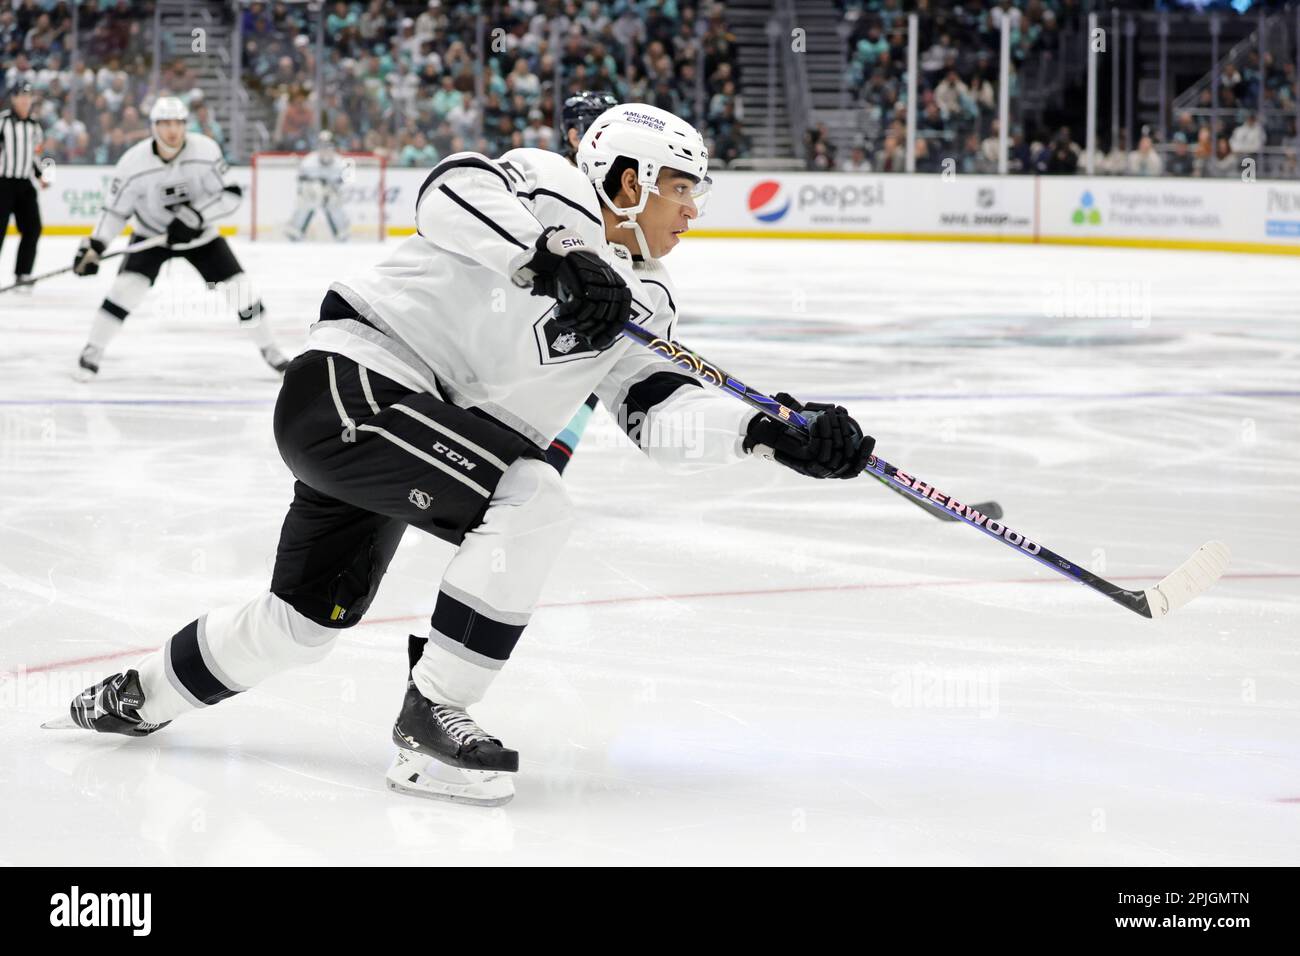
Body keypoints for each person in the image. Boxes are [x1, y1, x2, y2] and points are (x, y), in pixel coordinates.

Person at [48, 103, 875, 807]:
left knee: (303, 624)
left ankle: (138, 695)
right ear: (632, 180)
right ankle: (432, 715)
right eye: (683, 189)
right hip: (355, 385)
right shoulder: (547, 185)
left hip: (410, 433)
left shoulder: (646, 298)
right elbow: (447, 190)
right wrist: (553, 257)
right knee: (534, 497)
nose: (692, 211)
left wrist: (770, 435)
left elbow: (654, 408)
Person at [70, 97, 290, 379]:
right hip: (152, 236)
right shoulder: (132, 163)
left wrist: (196, 217)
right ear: (153, 127)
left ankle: (270, 350)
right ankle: (93, 350)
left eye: (178, 123)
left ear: (186, 125)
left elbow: (230, 194)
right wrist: (96, 244)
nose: (172, 131)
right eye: (165, 124)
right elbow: (115, 211)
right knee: (126, 289)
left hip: (201, 238)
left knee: (241, 290)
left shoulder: (205, 150)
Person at [547, 89, 620, 474]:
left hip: (586, 299)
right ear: (574, 136)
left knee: (594, 366)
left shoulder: (613, 183)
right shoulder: (550, 175)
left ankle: (550, 464)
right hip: (536, 301)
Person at [0, 82, 48, 293]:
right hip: (2, 183)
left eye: (28, 96)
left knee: (33, 228)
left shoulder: (35, 126)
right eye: (21, 96)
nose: (25, 100)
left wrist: (42, 175)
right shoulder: (2, 122)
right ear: (13, 99)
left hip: (24, 184)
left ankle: (23, 274)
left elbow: (36, 155)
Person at [285, 131, 351, 242]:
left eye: (328, 145)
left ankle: (342, 231)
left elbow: (345, 184)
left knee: (334, 201)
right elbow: (300, 182)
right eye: (322, 145)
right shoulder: (308, 161)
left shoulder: (341, 163)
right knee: (307, 198)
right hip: (312, 192)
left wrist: (331, 191)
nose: (325, 149)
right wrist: (314, 189)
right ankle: (295, 230)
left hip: (331, 192)